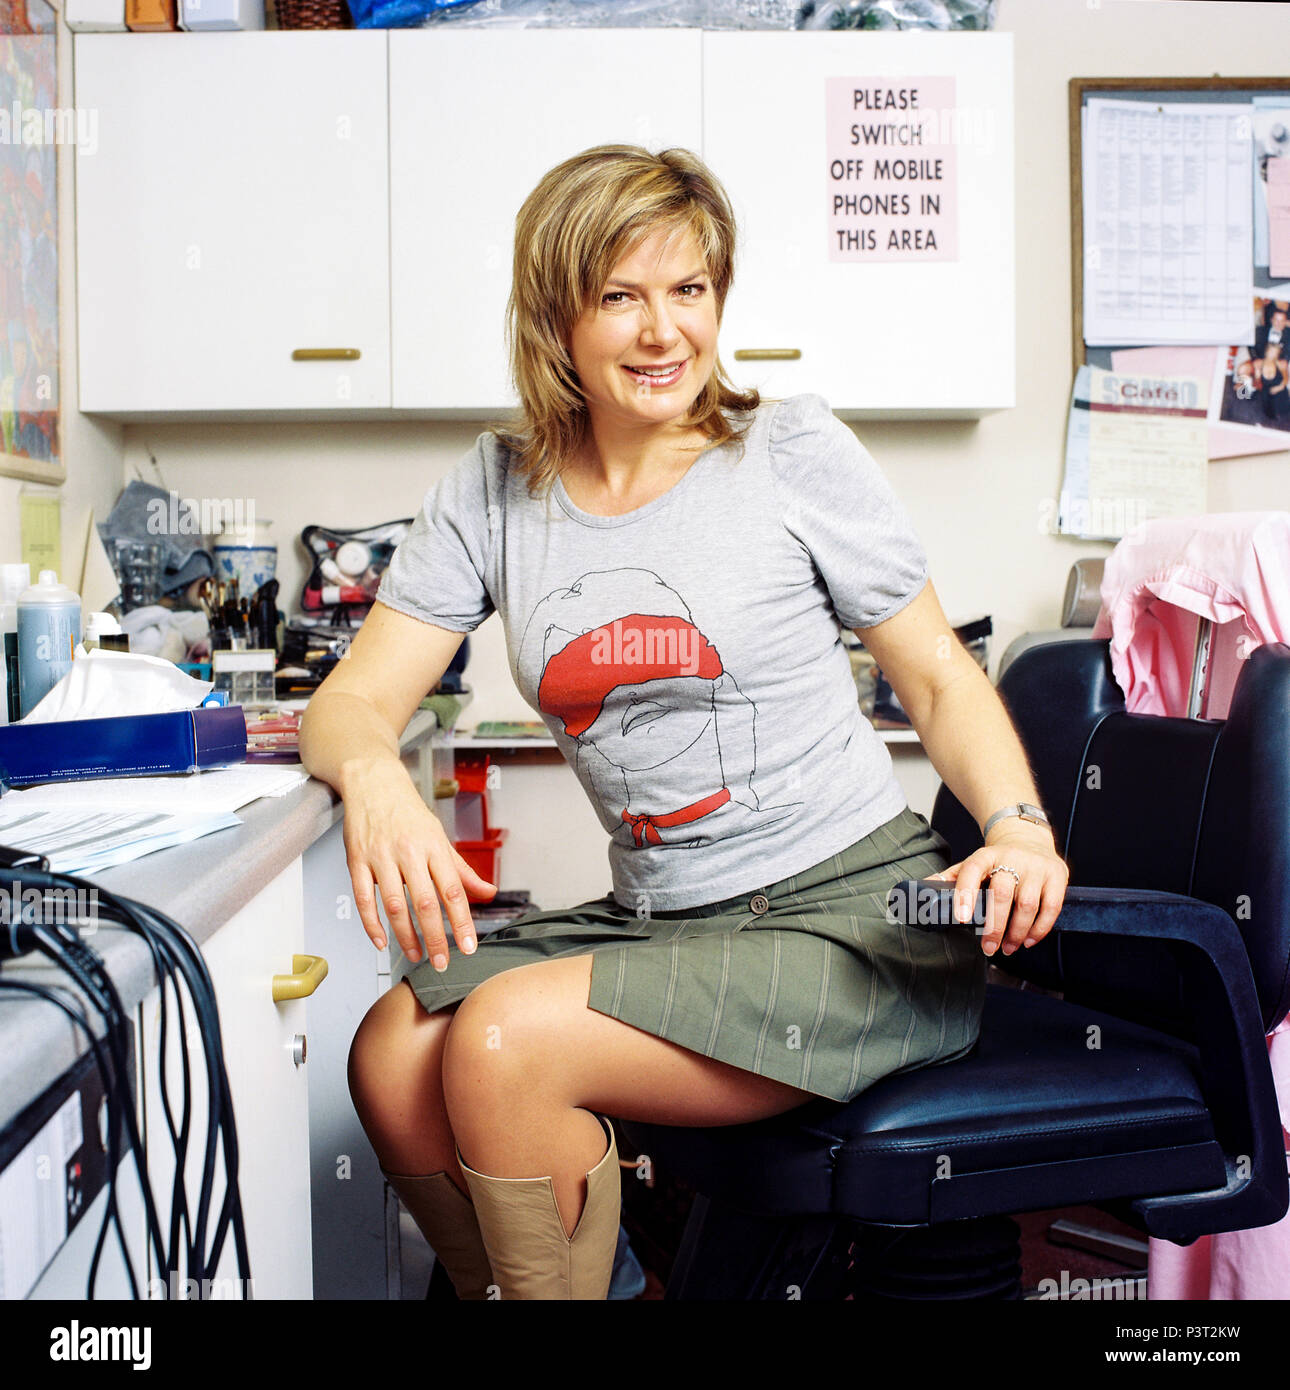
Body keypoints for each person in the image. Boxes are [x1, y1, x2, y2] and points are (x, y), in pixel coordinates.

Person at [298, 144, 1070, 1302]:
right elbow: (349, 701)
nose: (664, 332)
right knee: (392, 1057)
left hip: (850, 920)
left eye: (690, 291)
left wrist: (1016, 827)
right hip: (667, 920)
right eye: (621, 295)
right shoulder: (494, 487)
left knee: (505, 1042)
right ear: (555, 313)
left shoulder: (788, 450)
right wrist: (377, 778)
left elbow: (941, 679)